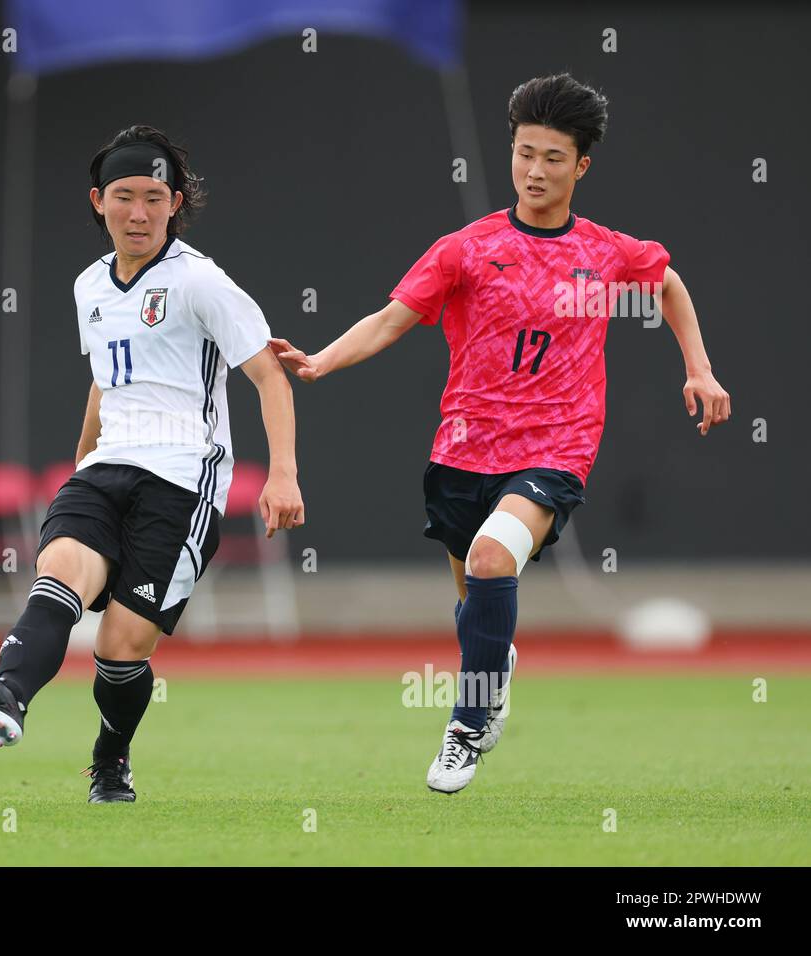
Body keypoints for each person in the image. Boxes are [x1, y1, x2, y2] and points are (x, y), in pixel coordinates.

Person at [272, 74, 731, 793]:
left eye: (553, 157)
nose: (535, 170)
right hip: (463, 449)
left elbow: (666, 282)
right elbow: (392, 318)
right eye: (524, 154)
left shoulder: (606, 252)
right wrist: (322, 360)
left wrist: (698, 368)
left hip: (557, 445)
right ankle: (494, 665)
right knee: (473, 602)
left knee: (492, 560)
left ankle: (467, 724)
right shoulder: (464, 248)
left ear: (581, 166)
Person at [0, 125, 304, 802]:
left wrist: (283, 473)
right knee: (59, 574)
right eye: (126, 197)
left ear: (175, 203)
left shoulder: (200, 281)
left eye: (155, 198)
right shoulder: (88, 287)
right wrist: (81, 466)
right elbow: (106, 380)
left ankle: (111, 758)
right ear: (99, 201)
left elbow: (269, 375)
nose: (140, 212)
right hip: (106, 470)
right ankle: (8, 695)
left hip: (184, 481)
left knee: (119, 649)